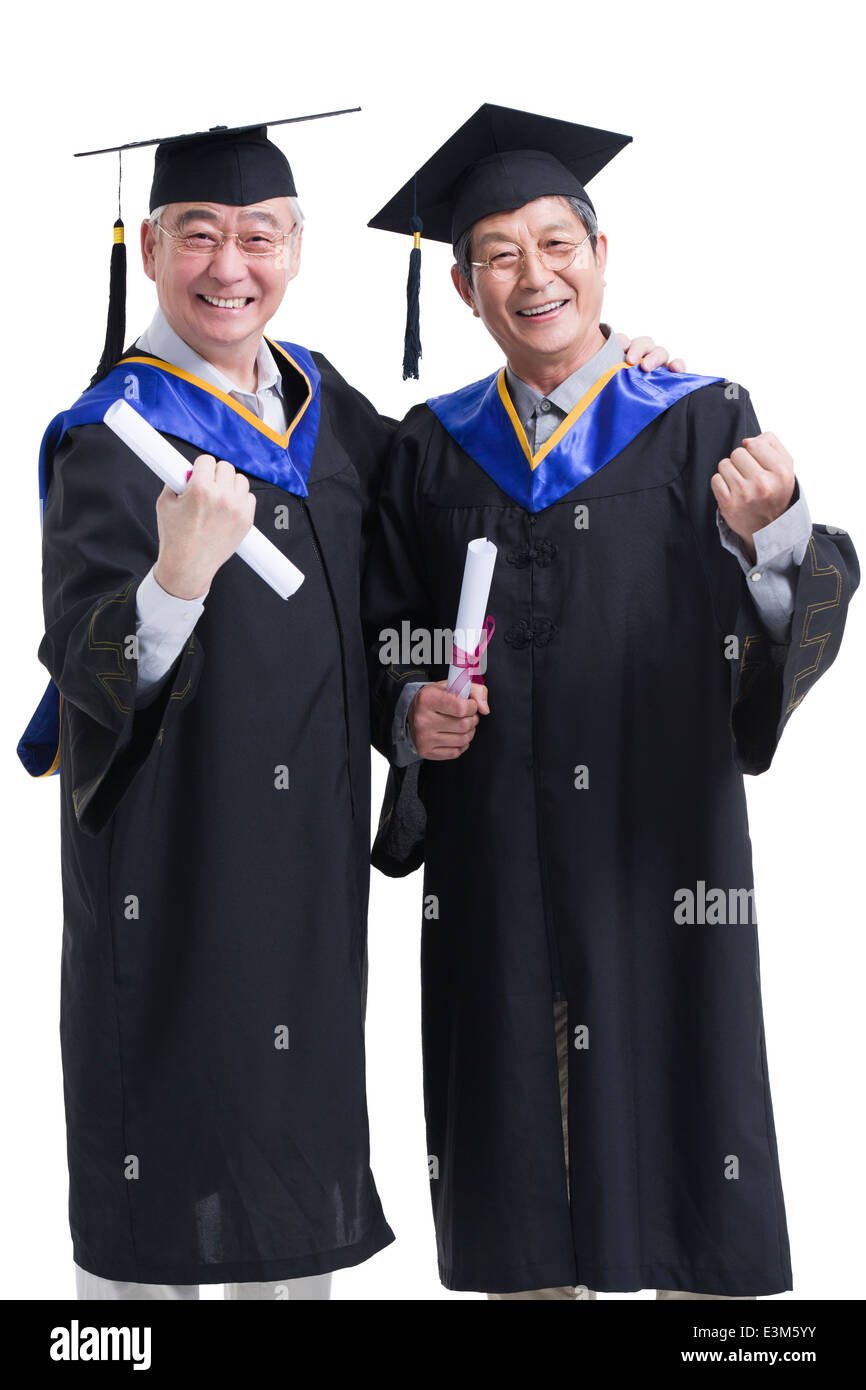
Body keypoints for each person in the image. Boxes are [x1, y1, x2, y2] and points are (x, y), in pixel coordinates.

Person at [363, 104, 858, 1300]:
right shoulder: (430, 449)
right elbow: (385, 630)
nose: (532, 274)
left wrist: (774, 532)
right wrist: (409, 706)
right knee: (514, 1157)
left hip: (656, 849)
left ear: (599, 254)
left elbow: (800, 606)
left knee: (683, 1122)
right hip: (493, 856)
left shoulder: (696, 416)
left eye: (555, 242)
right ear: (464, 290)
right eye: (496, 255)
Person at [18, 118, 398, 1300]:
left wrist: (605, 354)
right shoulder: (109, 435)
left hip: (311, 872)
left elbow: (434, 531)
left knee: (292, 1204)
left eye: (257, 235)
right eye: (198, 235)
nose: (229, 267)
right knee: (164, 1193)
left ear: (295, 245)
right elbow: (85, 675)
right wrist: (174, 576)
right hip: (171, 871)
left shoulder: (329, 409)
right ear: (149, 252)